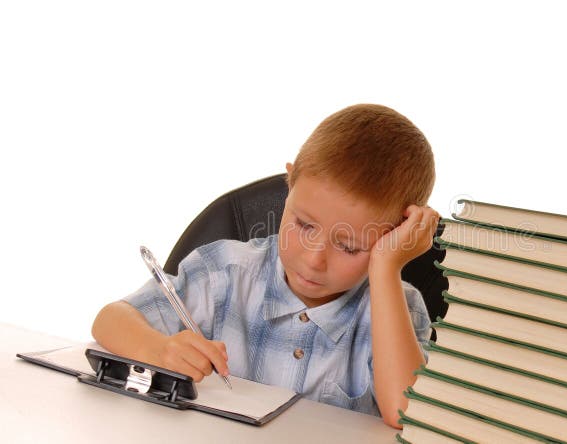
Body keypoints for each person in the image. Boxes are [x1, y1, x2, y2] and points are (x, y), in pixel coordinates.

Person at [91, 103, 439, 428]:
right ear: (290, 183)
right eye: (304, 225)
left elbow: (407, 414)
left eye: (349, 246)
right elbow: (110, 320)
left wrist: (385, 268)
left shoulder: (399, 308)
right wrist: (159, 350)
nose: (314, 259)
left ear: (398, 236)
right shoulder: (225, 272)